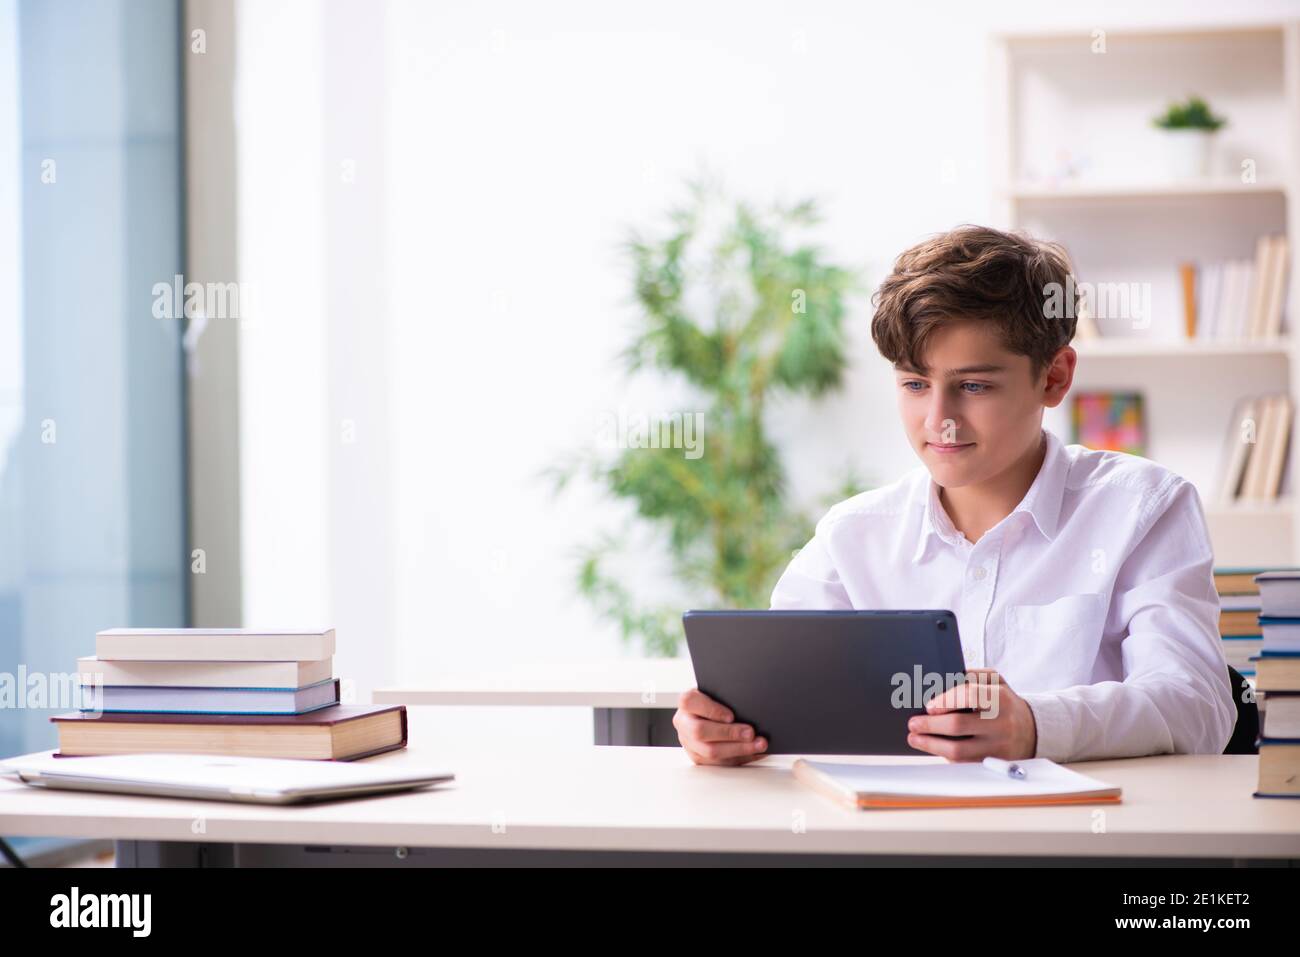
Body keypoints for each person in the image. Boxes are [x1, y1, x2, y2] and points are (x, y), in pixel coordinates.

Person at [673, 225, 1236, 766]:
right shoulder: (852, 536)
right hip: (895, 823)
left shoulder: (1142, 508)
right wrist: (724, 729)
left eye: (973, 385)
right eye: (915, 384)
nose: (938, 419)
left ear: (1054, 378)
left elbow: (1199, 707)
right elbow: (780, 698)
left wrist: (1036, 724)